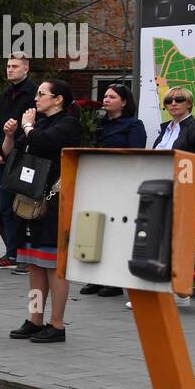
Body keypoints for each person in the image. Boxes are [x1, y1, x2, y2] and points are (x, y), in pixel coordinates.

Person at [2, 79, 82, 343]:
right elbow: (11, 152)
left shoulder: (68, 124)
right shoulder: (40, 124)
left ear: (58, 99)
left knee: (53, 265)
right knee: (35, 264)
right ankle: (35, 319)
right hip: (32, 201)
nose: (36, 98)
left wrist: (27, 126)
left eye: (41, 94)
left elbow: (45, 142)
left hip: (55, 203)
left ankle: (57, 324)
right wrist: (10, 134)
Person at [146, 86, 195, 309]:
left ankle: (180, 292)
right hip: (160, 190)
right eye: (169, 101)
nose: (173, 103)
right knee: (157, 241)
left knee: (177, 242)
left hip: (184, 192)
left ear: (189, 104)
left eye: (179, 100)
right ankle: (158, 290)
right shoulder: (165, 129)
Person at [79, 83, 146, 299]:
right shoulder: (98, 124)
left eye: (112, 97)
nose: (106, 99)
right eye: (105, 96)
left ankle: (115, 281)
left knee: (117, 233)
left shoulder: (133, 125)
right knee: (98, 231)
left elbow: (135, 155)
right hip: (99, 182)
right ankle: (97, 278)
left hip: (121, 184)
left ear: (124, 102)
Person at [0, 52, 38, 272]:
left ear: (26, 68)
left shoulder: (34, 93)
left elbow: (32, 125)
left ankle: (28, 254)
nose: (10, 69)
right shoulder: (5, 94)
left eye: (15, 66)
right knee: (5, 207)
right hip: (3, 158)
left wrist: (10, 145)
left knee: (25, 208)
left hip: (24, 157)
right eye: (8, 66)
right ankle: (12, 252)